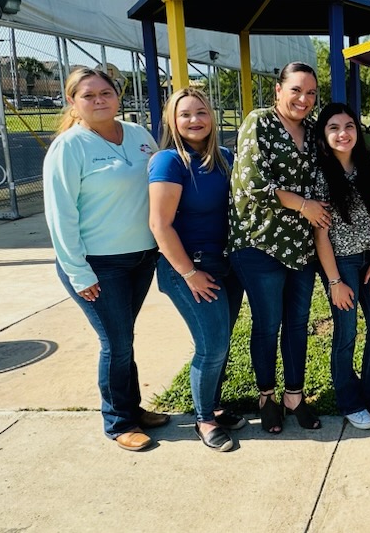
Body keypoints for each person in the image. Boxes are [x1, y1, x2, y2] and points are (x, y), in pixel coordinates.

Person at [42, 67, 168, 451]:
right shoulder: (70, 146)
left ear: (117, 95)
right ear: (73, 102)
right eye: (88, 95)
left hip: (141, 258)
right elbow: (60, 214)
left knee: (123, 338)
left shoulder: (138, 135)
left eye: (105, 93)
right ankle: (118, 421)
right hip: (98, 264)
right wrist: (78, 271)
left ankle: (131, 407)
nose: (99, 100)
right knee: (115, 342)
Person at [229, 61, 328, 434]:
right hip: (260, 242)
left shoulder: (313, 131)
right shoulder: (259, 122)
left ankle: (294, 396)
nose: (304, 99)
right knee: (268, 323)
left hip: (301, 244)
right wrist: (304, 205)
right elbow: (254, 184)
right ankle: (266, 396)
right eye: (296, 90)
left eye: (311, 93)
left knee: (298, 324)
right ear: (278, 90)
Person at [149, 87, 247, 452]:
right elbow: (160, 224)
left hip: (226, 264)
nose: (195, 120)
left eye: (201, 112)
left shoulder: (224, 157)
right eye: (185, 114)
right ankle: (204, 419)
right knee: (212, 346)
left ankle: (216, 406)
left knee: (220, 342)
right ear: (172, 121)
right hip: (188, 269)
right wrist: (189, 273)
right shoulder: (169, 162)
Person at [311, 103, 370, 431]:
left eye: (349, 126)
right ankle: (349, 400)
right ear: (324, 133)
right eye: (333, 127)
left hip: (369, 259)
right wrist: (334, 281)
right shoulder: (319, 171)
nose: (343, 133)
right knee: (346, 332)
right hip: (340, 263)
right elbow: (320, 231)